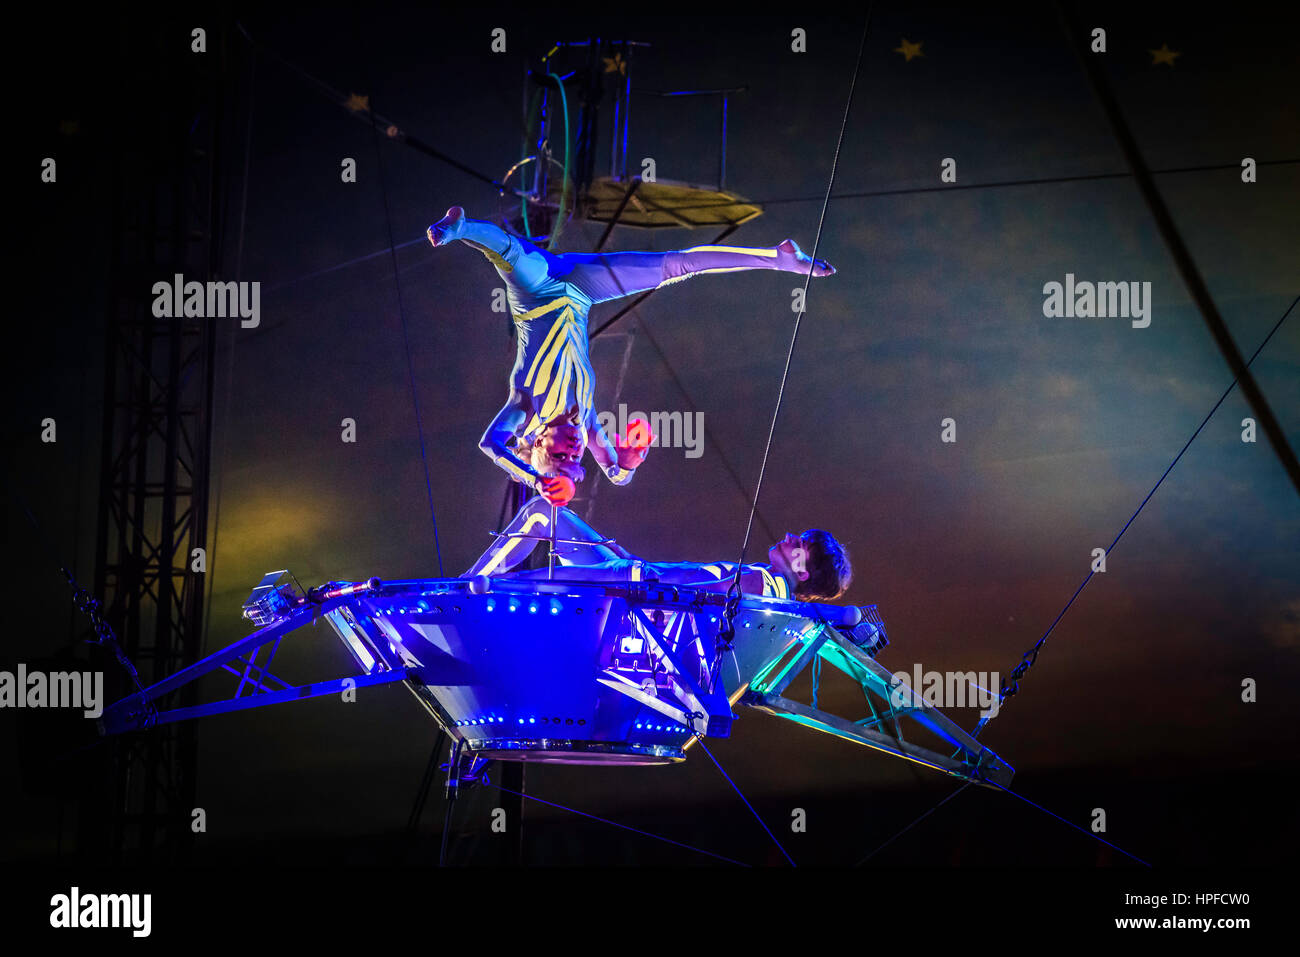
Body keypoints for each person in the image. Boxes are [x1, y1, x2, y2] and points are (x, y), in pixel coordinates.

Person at [427, 206, 835, 505]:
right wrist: (626, 462)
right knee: (677, 266)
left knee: (509, 254)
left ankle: (461, 227)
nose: (571, 447)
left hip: (538, 292)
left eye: (558, 455)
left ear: (535, 446)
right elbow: (617, 475)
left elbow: (490, 444)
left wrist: (535, 481)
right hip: (583, 290)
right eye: (575, 456)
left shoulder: (526, 408)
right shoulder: (584, 423)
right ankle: (779, 258)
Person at [487, 502, 852, 602]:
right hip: (631, 571)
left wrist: (642, 582)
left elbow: (696, 598)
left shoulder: (765, 583)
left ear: (802, 571)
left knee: (531, 580)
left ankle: (463, 590)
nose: (789, 536)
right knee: (542, 514)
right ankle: (466, 587)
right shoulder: (767, 582)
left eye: (800, 543)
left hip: (631, 581)